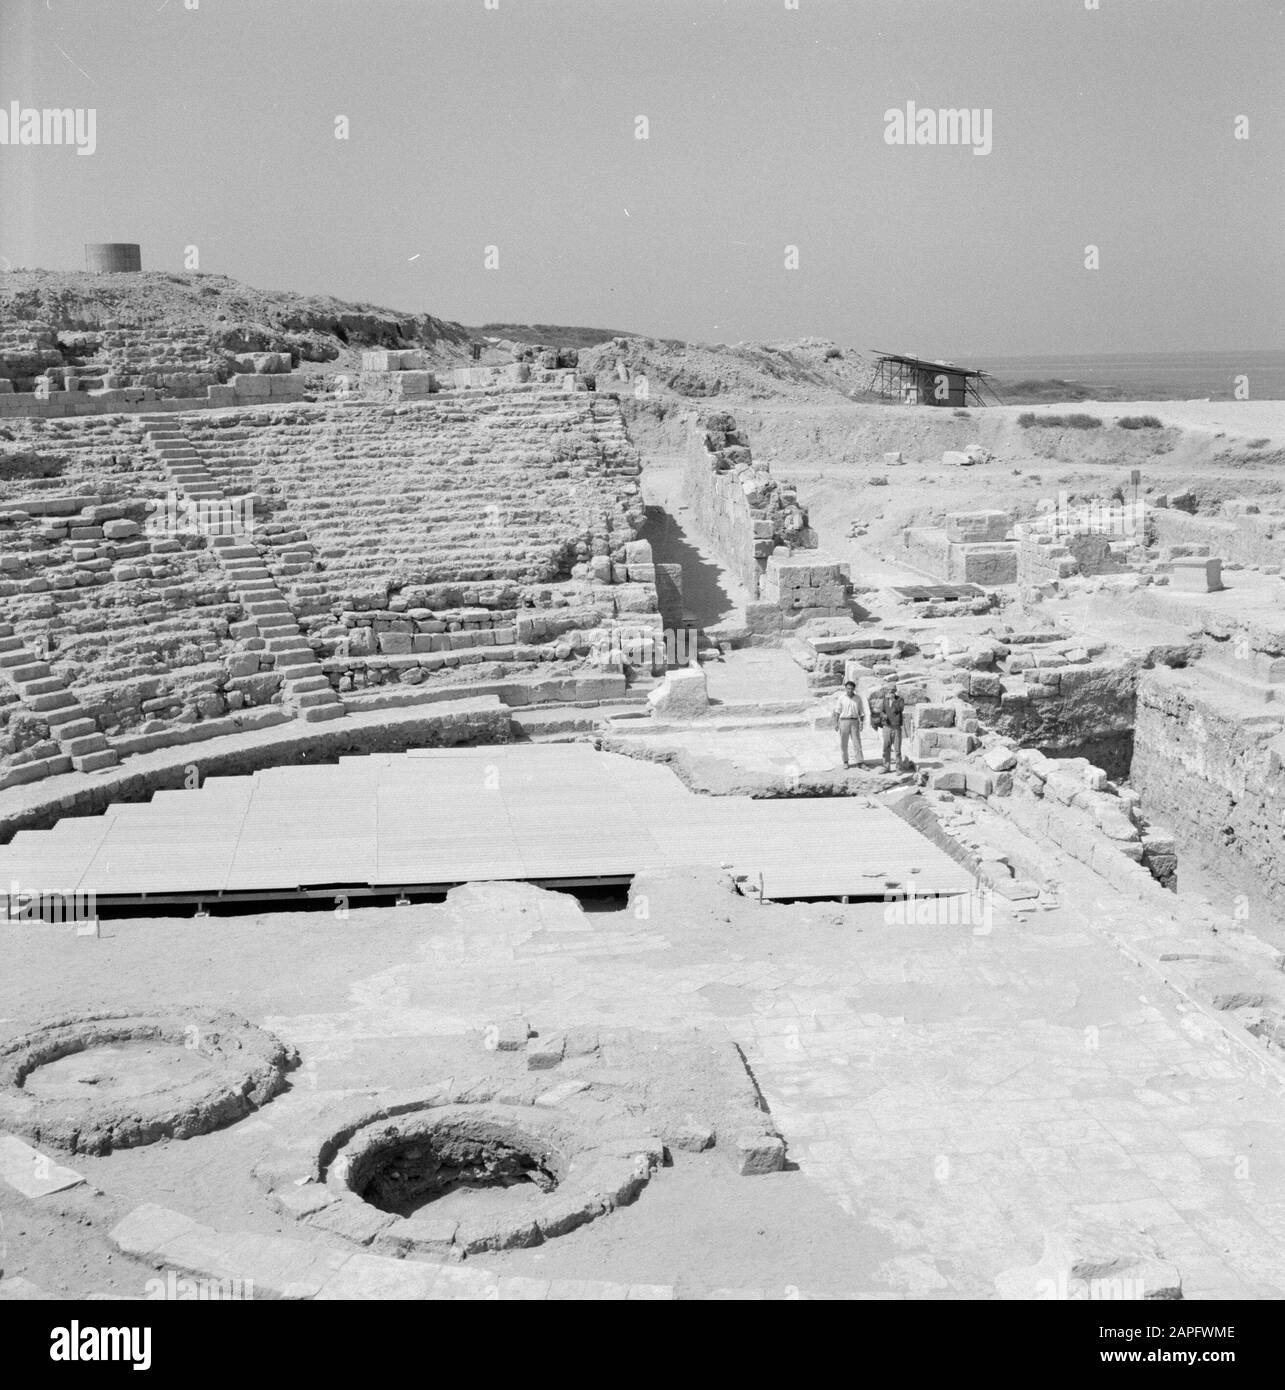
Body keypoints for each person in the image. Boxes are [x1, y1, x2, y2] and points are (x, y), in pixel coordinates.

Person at [869, 676, 906, 773]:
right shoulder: (885, 700)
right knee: (886, 748)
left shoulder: (899, 700)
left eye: (893, 690)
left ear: (895, 691)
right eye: (889, 690)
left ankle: (898, 768)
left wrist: (893, 701)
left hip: (896, 727)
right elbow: (881, 711)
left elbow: (899, 709)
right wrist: (883, 715)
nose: (891, 692)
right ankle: (886, 767)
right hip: (886, 727)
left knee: (897, 750)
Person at [832, 680, 866, 770]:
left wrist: (861, 723)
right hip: (844, 721)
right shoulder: (841, 698)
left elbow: (861, 712)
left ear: (854, 689)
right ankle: (845, 761)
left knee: (857, 743)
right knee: (844, 743)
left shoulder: (858, 698)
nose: (850, 690)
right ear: (845, 688)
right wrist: (836, 723)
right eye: (848, 689)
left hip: (855, 721)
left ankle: (860, 762)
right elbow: (837, 712)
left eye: (851, 689)